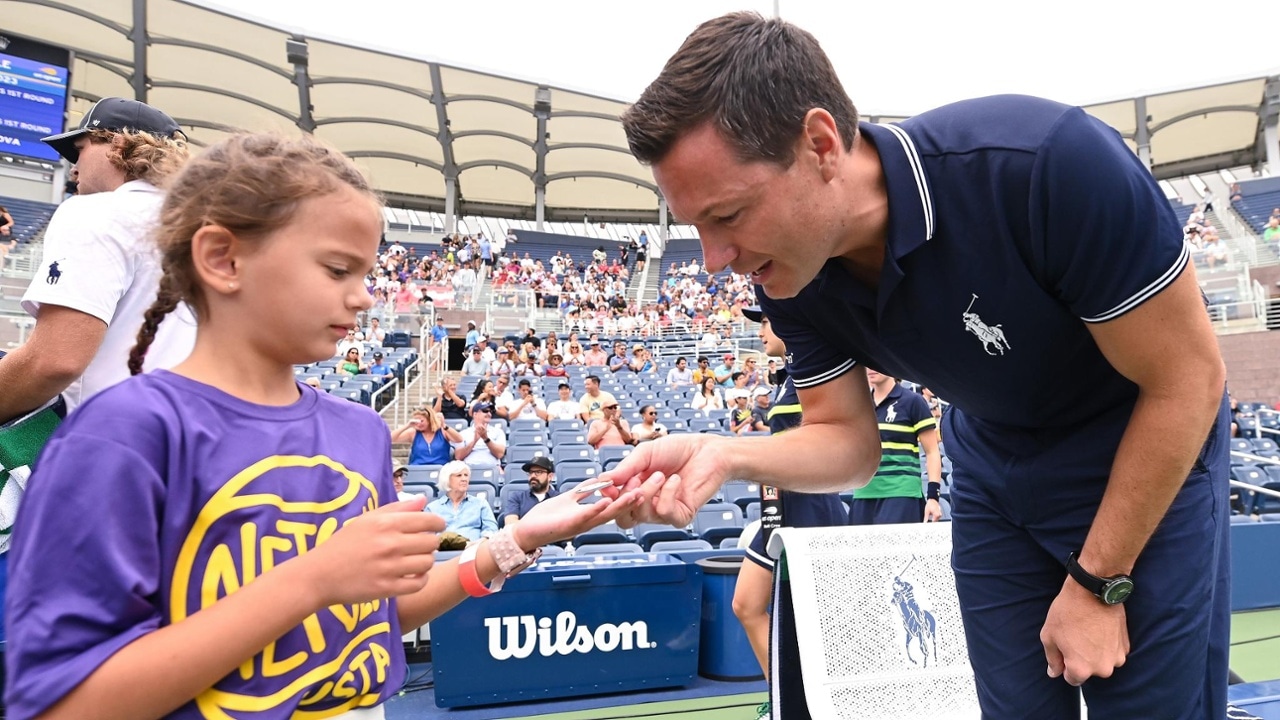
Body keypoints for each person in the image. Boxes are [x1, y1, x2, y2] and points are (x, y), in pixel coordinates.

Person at [609, 13, 1230, 720]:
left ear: (820, 145)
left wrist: (1097, 582)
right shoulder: (788, 275)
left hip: (1141, 455)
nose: (715, 260)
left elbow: (1188, 380)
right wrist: (723, 456)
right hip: (993, 469)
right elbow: (848, 444)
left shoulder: (1041, 164)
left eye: (728, 215)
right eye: (695, 227)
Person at [4, 132, 650, 720]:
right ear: (223, 259)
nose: (365, 296)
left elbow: (370, 615)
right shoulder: (122, 433)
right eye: (339, 270)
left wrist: (519, 539)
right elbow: (65, 702)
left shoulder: (360, 430)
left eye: (367, 273)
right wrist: (312, 580)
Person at [0, 97, 195, 646]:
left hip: (111, 476)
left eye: (79, 148)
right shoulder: (210, 231)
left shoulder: (95, 213)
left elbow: (56, 359)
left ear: (118, 145)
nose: (72, 166)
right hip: (201, 470)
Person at [731, 306, 845, 715]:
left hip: (810, 509)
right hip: (781, 508)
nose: (761, 331)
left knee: (808, 623)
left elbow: (824, 444)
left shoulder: (812, 370)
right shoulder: (788, 376)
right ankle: (782, 698)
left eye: (765, 321)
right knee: (747, 605)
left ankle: (799, 702)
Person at [848, 369, 943, 524]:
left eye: (875, 363)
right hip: (863, 495)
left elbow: (932, 452)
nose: (870, 368)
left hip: (902, 495)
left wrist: (933, 497)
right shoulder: (858, 404)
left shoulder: (913, 401)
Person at [427, 460, 497, 542]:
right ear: (447, 479)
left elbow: (491, 530)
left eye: (466, 475)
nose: (464, 479)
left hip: (473, 547)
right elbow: (426, 536)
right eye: (459, 475)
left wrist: (478, 543)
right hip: (441, 548)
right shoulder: (432, 508)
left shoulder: (480, 504)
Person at [502, 456, 559, 528]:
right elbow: (510, 524)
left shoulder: (559, 498)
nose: (533, 476)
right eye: (530, 472)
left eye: (538, 472)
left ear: (550, 476)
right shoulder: (517, 497)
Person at [392, 408, 462, 466]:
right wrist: (407, 425)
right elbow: (390, 439)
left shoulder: (443, 432)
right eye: (416, 421)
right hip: (418, 469)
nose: (419, 424)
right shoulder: (413, 433)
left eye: (421, 421)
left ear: (429, 420)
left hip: (440, 469)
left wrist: (444, 426)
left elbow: (459, 439)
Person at [452, 402, 506, 470]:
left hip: (492, 468)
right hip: (469, 469)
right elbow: (458, 456)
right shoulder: (463, 433)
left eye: (490, 411)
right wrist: (474, 441)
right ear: (475, 414)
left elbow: (500, 454)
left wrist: (486, 438)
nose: (489, 414)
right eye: (485, 411)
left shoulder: (498, 432)